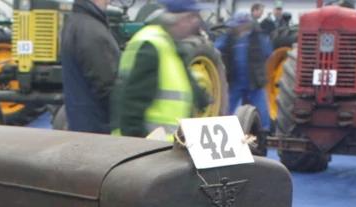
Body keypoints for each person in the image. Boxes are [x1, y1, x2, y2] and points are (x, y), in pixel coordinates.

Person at [111, 0, 210, 140]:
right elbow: (132, 106)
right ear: (184, 19)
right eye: (195, 16)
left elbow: (185, 84)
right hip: (149, 148)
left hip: (165, 148)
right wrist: (137, 148)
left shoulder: (170, 45)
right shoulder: (152, 46)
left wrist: (202, 99)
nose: (198, 22)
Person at [61, 0, 121, 133]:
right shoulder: (91, 31)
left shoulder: (77, 23)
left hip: (83, 128)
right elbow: (107, 87)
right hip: (96, 132)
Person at [215, 12, 271, 125]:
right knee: (227, 109)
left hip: (254, 81)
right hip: (235, 81)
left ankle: (264, 132)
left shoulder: (259, 37)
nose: (236, 27)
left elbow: (268, 52)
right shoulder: (229, 37)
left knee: (261, 110)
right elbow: (216, 48)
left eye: (238, 25)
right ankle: (224, 128)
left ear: (246, 24)